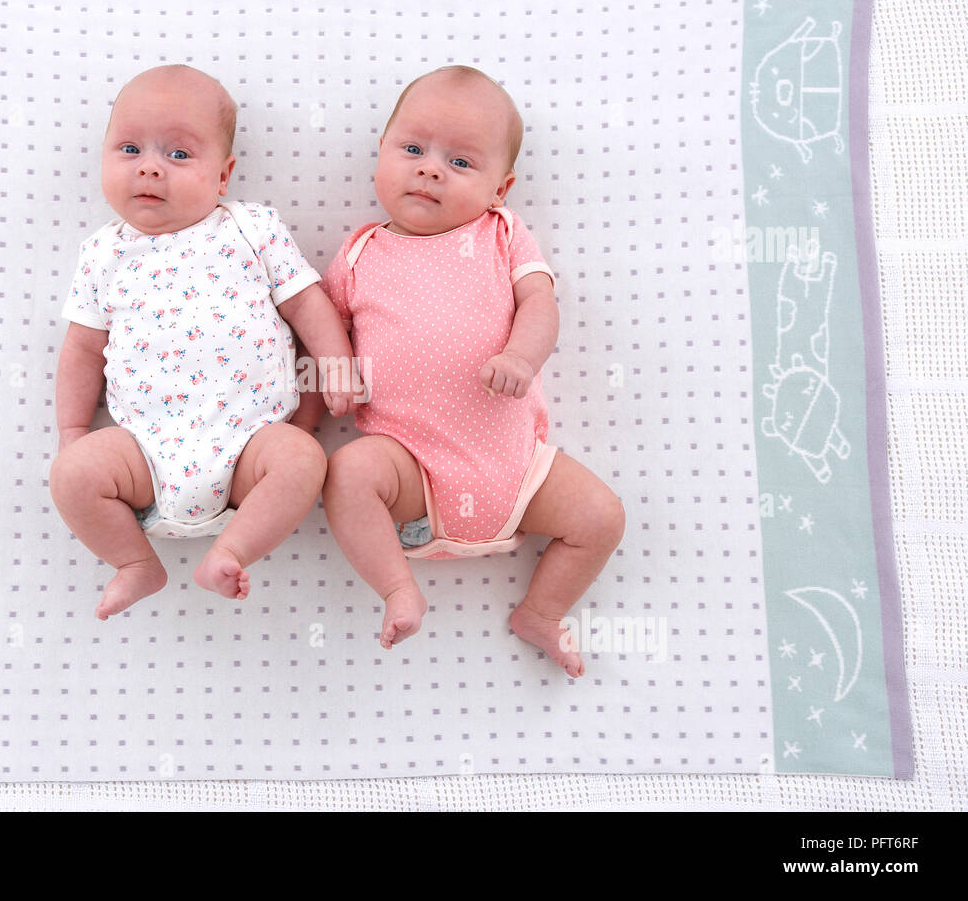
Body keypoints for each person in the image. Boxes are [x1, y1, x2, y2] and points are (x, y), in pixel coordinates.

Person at [320, 66, 626, 677]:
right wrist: (332, 373)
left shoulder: (503, 235)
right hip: (411, 469)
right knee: (349, 471)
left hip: (514, 467)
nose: (431, 168)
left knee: (601, 517)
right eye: (412, 150)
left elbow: (542, 302)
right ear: (379, 158)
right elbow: (324, 326)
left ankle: (540, 612)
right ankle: (398, 589)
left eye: (461, 163)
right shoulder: (357, 254)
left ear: (499, 189)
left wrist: (521, 355)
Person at [50, 65, 352, 620]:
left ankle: (229, 553)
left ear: (222, 175)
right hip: (143, 451)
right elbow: (82, 351)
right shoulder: (102, 255)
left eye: (179, 155)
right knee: (70, 476)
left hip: (250, 448)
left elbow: (307, 302)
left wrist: (337, 367)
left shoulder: (250, 229)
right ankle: (136, 563)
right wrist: (73, 431)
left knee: (303, 459)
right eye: (130, 149)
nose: (149, 166)